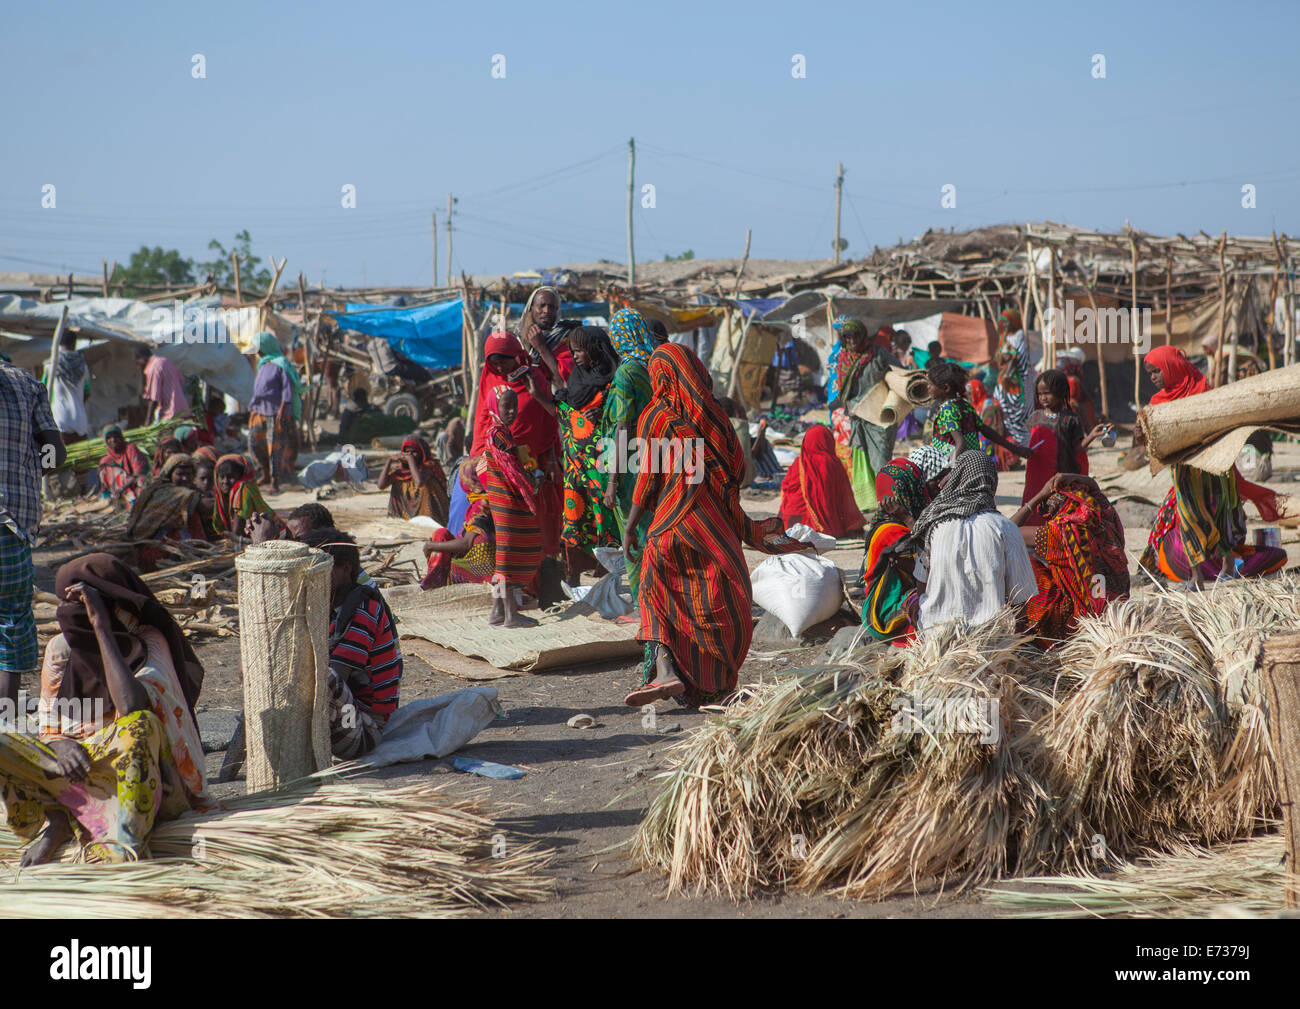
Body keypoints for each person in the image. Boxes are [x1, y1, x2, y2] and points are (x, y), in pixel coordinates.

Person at [620, 344, 805, 708]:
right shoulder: (717, 416)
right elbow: (739, 469)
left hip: (671, 524)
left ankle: (665, 670)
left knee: (657, 598)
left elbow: (648, 478)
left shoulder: (656, 415)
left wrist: (630, 527)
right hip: (716, 527)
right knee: (716, 602)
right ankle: (714, 685)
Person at [0, 554, 207, 864]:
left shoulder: (149, 642)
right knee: (4, 738)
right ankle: (58, 824)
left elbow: (131, 706)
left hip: (149, 783)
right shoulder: (61, 650)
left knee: (140, 725)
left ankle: (124, 839)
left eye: (82, 607)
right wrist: (60, 745)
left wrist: (101, 628)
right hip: (79, 778)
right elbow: (48, 729)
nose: (70, 617)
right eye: (66, 607)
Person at [1136, 347, 1288, 587]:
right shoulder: (1157, 403)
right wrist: (1141, 435)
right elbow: (1155, 442)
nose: (1154, 377)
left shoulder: (1203, 392)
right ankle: (1197, 575)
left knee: (1222, 516)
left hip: (1216, 467)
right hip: (1186, 473)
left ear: (1172, 367)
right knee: (1190, 518)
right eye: (1151, 373)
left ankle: (1227, 565)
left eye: (1157, 371)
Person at [903, 449, 1036, 637]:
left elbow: (921, 587)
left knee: (910, 600)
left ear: (956, 479)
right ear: (992, 482)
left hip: (937, 637)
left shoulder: (933, 525)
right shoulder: (1005, 528)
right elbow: (1021, 601)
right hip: (990, 640)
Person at [298, 530, 403, 761]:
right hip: (341, 715)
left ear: (346, 568)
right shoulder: (326, 609)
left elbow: (337, 676)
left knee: (325, 677)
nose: (312, 578)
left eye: (322, 570)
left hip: (363, 727)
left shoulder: (363, 609)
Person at [0, 361, 66, 718]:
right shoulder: (26, 384)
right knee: (10, 616)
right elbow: (55, 453)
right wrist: (25, 466)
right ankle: (4, 722)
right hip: (9, 519)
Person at [530, 326, 620, 584]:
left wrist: (604, 417)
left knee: (604, 522)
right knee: (574, 519)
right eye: (572, 351)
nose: (575, 356)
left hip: (603, 468)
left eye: (579, 350)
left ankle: (606, 579)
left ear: (595, 349)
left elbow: (624, 422)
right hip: (574, 468)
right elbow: (563, 411)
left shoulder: (613, 383)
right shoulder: (579, 382)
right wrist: (537, 395)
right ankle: (574, 575)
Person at [470, 331, 562, 557]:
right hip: (496, 461)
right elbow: (482, 419)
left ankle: (540, 569)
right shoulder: (488, 379)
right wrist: (479, 458)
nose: (500, 368)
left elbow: (548, 420)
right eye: (495, 364)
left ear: (517, 355)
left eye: (505, 361)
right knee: (501, 520)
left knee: (537, 518)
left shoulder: (534, 378)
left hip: (533, 461)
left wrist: (550, 459)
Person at [1010, 473, 1129, 648]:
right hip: (1114, 612)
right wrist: (1072, 477)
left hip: (1076, 623)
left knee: (1022, 562)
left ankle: (1030, 632)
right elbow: (1095, 488)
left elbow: (1006, 532)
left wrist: (1037, 498)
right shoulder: (1104, 521)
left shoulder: (1059, 534)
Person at [602, 309, 657, 600]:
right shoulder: (654, 365)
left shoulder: (626, 372)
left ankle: (643, 602)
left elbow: (622, 426)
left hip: (631, 466)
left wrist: (613, 480)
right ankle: (658, 598)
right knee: (653, 531)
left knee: (633, 536)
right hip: (658, 457)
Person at [482, 388, 542, 628]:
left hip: (503, 502)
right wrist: (532, 483)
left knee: (503, 556)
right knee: (508, 557)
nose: (511, 411)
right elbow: (512, 470)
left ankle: (497, 610)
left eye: (514, 406)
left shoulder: (501, 433)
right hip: (507, 502)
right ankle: (511, 614)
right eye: (505, 406)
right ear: (494, 406)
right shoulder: (498, 435)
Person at [828, 317, 898, 510]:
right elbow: (840, 388)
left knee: (881, 460)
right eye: (847, 337)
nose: (851, 341)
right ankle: (872, 503)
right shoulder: (843, 359)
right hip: (857, 417)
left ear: (862, 335)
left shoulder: (878, 354)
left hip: (879, 417)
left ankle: (890, 501)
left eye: (854, 336)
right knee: (863, 459)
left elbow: (899, 372)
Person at [861, 458, 932, 642]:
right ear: (909, 489)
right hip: (887, 611)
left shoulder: (879, 523)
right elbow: (935, 554)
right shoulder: (894, 531)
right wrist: (908, 518)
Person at [1021, 369, 1109, 516]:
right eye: (1040, 394)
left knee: (1061, 510)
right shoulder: (1035, 417)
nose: (1043, 398)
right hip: (1038, 475)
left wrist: (1092, 436)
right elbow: (1027, 441)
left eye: (1047, 393)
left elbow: (1076, 449)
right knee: (1037, 508)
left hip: (1062, 476)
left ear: (1060, 392)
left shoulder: (1071, 419)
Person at [928, 361, 1029, 463]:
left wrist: (949, 471)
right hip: (974, 461)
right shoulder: (965, 406)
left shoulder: (947, 410)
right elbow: (987, 431)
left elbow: (960, 443)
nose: (928, 387)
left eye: (931, 384)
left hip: (955, 463)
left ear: (946, 388)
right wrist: (1016, 449)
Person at [779, 425, 867, 538]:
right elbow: (844, 499)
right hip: (828, 528)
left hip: (790, 522)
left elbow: (786, 489)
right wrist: (853, 527)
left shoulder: (798, 463)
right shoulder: (833, 464)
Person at [421, 458, 496, 589]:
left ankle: (438, 579)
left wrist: (431, 546)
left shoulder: (482, 505)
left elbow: (466, 544)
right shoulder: (493, 496)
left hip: (480, 569)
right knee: (442, 533)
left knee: (439, 536)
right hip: (495, 561)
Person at [248, 331, 304, 494]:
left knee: (275, 448)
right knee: (254, 443)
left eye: (259, 348)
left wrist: (282, 408)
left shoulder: (281, 364)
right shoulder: (263, 364)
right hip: (259, 411)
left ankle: (275, 481)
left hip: (275, 412)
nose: (257, 352)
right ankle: (264, 473)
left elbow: (287, 388)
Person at [126, 453, 208, 544]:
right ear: (170, 474)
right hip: (160, 543)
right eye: (179, 474)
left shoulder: (193, 490)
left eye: (189, 474)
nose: (185, 478)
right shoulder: (163, 492)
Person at [378, 436, 449, 524]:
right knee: (397, 482)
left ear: (422, 453)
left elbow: (419, 482)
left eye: (414, 452)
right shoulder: (401, 471)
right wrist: (389, 461)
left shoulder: (429, 466)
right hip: (406, 514)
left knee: (427, 485)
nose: (409, 454)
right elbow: (381, 485)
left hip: (429, 515)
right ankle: (400, 519)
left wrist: (410, 460)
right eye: (407, 452)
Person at [518, 286, 579, 384]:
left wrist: (542, 347)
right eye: (541, 305)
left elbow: (565, 380)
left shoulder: (566, 339)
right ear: (531, 308)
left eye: (552, 307)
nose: (546, 311)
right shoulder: (518, 340)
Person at [993, 307, 1034, 448]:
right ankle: (1008, 439)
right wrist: (1002, 356)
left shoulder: (1019, 335)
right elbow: (999, 356)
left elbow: (1018, 356)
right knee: (1000, 401)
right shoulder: (1003, 337)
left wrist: (1010, 368)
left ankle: (1024, 441)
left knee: (1022, 411)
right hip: (1004, 377)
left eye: (1007, 322)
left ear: (1014, 322)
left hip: (1019, 377)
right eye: (1003, 322)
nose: (1005, 325)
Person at [44, 329, 90, 443]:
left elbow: (43, 391)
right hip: (80, 422)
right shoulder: (83, 366)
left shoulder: (51, 365)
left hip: (60, 420)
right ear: (74, 343)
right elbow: (87, 392)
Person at [212, 454, 270, 542]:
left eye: (230, 477)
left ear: (241, 476)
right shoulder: (220, 496)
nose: (225, 482)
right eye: (222, 477)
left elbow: (236, 534)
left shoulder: (243, 490)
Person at [97, 425, 150, 508]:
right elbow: (104, 483)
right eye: (109, 438)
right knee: (104, 465)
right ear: (105, 440)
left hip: (134, 485)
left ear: (121, 437)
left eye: (116, 436)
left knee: (141, 482)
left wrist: (122, 488)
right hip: (118, 490)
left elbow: (138, 473)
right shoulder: (107, 460)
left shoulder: (130, 448)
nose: (113, 440)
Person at [133, 345, 189, 423]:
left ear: (142, 358)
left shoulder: (154, 367)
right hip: (183, 410)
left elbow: (153, 398)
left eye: (137, 363)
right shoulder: (166, 361)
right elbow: (181, 381)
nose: (138, 367)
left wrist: (148, 422)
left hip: (170, 414)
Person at [1056, 347, 1098, 430]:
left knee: (1086, 404)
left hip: (1074, 396)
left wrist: (1087, 397)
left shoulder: (1076, 370)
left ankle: (1090, 427)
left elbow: (1081, 383)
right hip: (1062, 394)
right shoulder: (1061, 365)